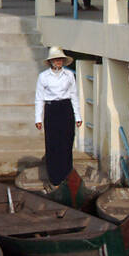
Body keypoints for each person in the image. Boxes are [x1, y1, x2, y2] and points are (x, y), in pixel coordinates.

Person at [34, 46, 81, 186]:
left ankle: (67, 174)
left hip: (66, 108)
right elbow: (39, 98)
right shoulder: (43, 77)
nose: (58, 62)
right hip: (51, 109)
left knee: (67, 141)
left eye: (60, 59)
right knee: (53, 142)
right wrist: (38, 118)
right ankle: (54, 178)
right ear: (50, 62)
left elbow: (74, 96)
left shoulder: (69, 75)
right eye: (55, 59)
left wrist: (78, 116)